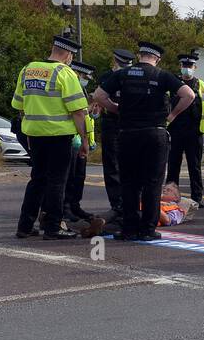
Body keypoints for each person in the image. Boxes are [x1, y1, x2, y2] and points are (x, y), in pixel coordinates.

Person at [92, 40, 195, 241]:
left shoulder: (121, 74)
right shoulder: (162, 76)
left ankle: (129, 227)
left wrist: (117, 109)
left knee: (129, 182)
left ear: (139, 55)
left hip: (128, 133)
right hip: (154, 133)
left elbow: (98, 95)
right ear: (157, 58)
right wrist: (172, 115)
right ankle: (148, 229)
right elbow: (188, 95)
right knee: (152, 182)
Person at [12, 34, 91, 240]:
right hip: (59, 136)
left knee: (37, 179)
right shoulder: (65, 73)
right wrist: (84, 140)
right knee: (57, 181)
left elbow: (18, 105)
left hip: (34, 135)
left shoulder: (28, 69)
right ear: (68, 55)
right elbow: (78, 111)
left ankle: (25, 225)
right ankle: (53, 227)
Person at [166, 52, 204, 207]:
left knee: (195, 166)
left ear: (195, 67)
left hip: (194, 132)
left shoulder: (202, 86)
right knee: (173, 165)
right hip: (175, 131)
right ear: (180, 67)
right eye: (184, 66)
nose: (187, 69)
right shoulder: (173, 84)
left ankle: (197, 197)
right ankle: (170, 196)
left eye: (190, 66)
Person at [61, 60, 105, 237]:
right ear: (77, 74)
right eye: (84, 76)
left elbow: (87, 117)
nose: (86, 80)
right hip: (73, 140)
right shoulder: (71, 88)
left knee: (78, 177)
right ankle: (65, 208)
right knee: (68, 178)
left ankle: (74, 206)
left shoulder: (82, 90)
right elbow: (76, 113)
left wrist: (94, 111)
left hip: (81, 141)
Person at [100, 48, 134, 229]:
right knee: (113, 167)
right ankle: (118, 206)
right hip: (115, 123)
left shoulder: (127, 76)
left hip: (124, 124)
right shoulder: (108, 77)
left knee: (123, 167)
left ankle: (124, 206)